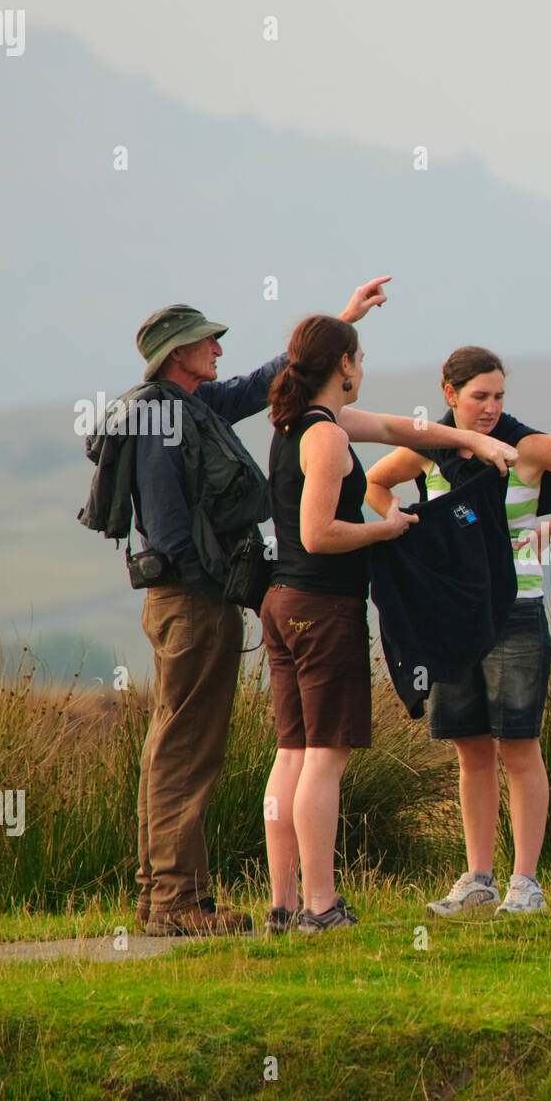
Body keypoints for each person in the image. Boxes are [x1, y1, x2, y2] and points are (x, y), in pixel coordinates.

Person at [128, 278, 390, 937]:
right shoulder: (161, 418)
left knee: (189, 746)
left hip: (210, 601)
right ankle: (175, 906)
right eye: (204, 341)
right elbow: (167, 530)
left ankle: (175, 898)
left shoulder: (195, 403)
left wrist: (341, 319)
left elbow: (262, 383)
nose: (217, 347)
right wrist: (218, 581)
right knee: (183, 750)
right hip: (190, 603)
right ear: (175, 354)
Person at [260, 320, 518, 935]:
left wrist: (471, 442)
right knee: (324, 757)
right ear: (343, 365)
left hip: (282, 604)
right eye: (360, 358)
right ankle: (321, 908)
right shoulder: (325, 437)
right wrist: (388, 528)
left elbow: (403, 429)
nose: (364, 368)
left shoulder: (305, 420)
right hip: (322, 609)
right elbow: (320, 533)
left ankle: (284, 904)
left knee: (291, 754)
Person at [364, 346, 551, 917]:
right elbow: (374, 485)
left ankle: (525, 883)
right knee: (470, 751)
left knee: (518, 746)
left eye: (498, 397)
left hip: (515, 611)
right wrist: (402, 528)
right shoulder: (428, 449)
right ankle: (478, 878)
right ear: (449, 394)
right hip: (450, 617)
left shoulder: (527, 447)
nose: (490, 408)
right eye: (479, 397)